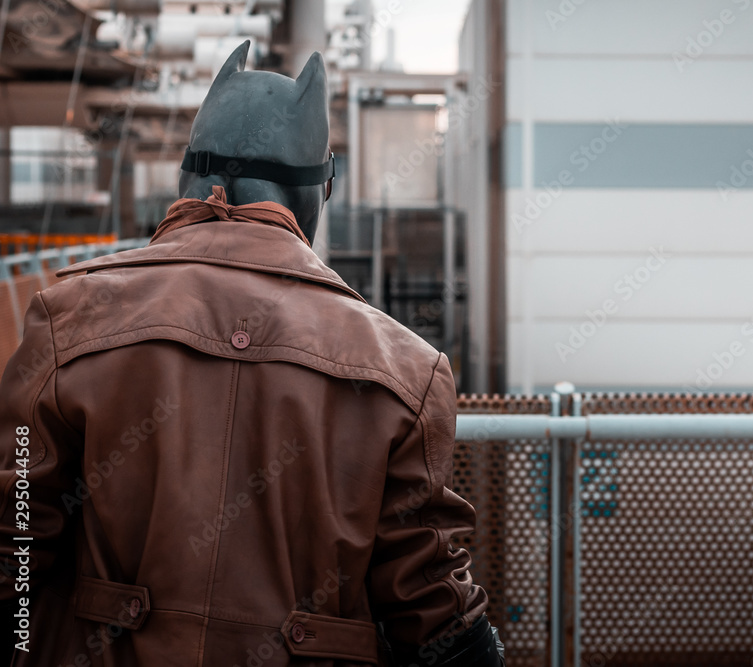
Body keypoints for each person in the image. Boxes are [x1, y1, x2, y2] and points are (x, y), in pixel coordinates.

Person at [0, 41, 504, 666]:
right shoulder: (406, 370)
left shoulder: (68, 319)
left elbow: (17, 539)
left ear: (188, 175)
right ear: (316, 193)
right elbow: (431, 610)